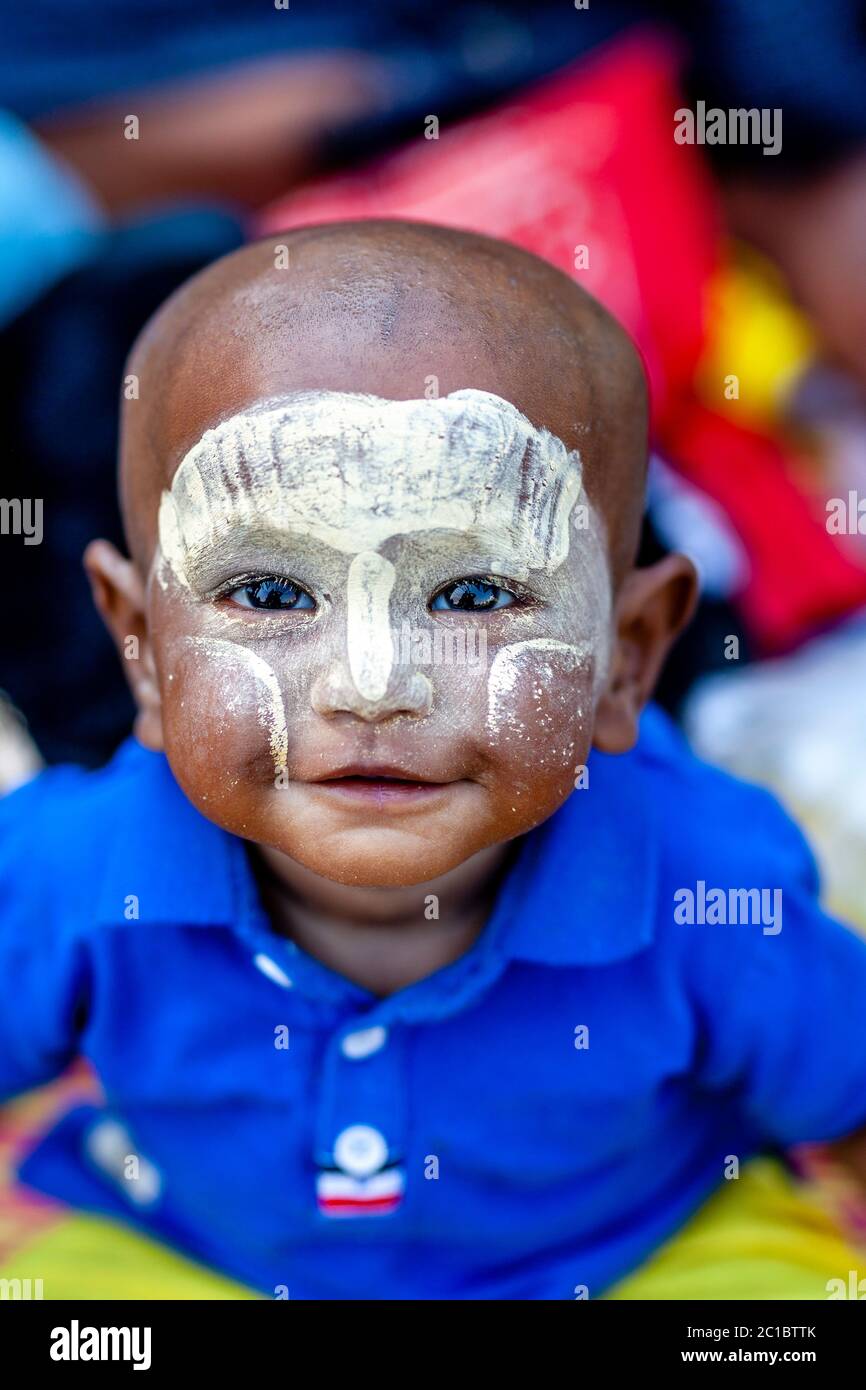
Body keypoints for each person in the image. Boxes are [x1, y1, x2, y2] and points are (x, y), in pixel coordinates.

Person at [2, 221, 865, 1300]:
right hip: (200, 1252)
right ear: (138, 647)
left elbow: (850, 1105)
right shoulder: (69, 871)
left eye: (472, 595)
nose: (369, 683)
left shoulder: (707, 888)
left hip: (628, 1252)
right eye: (269, 594)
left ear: (626, 658)